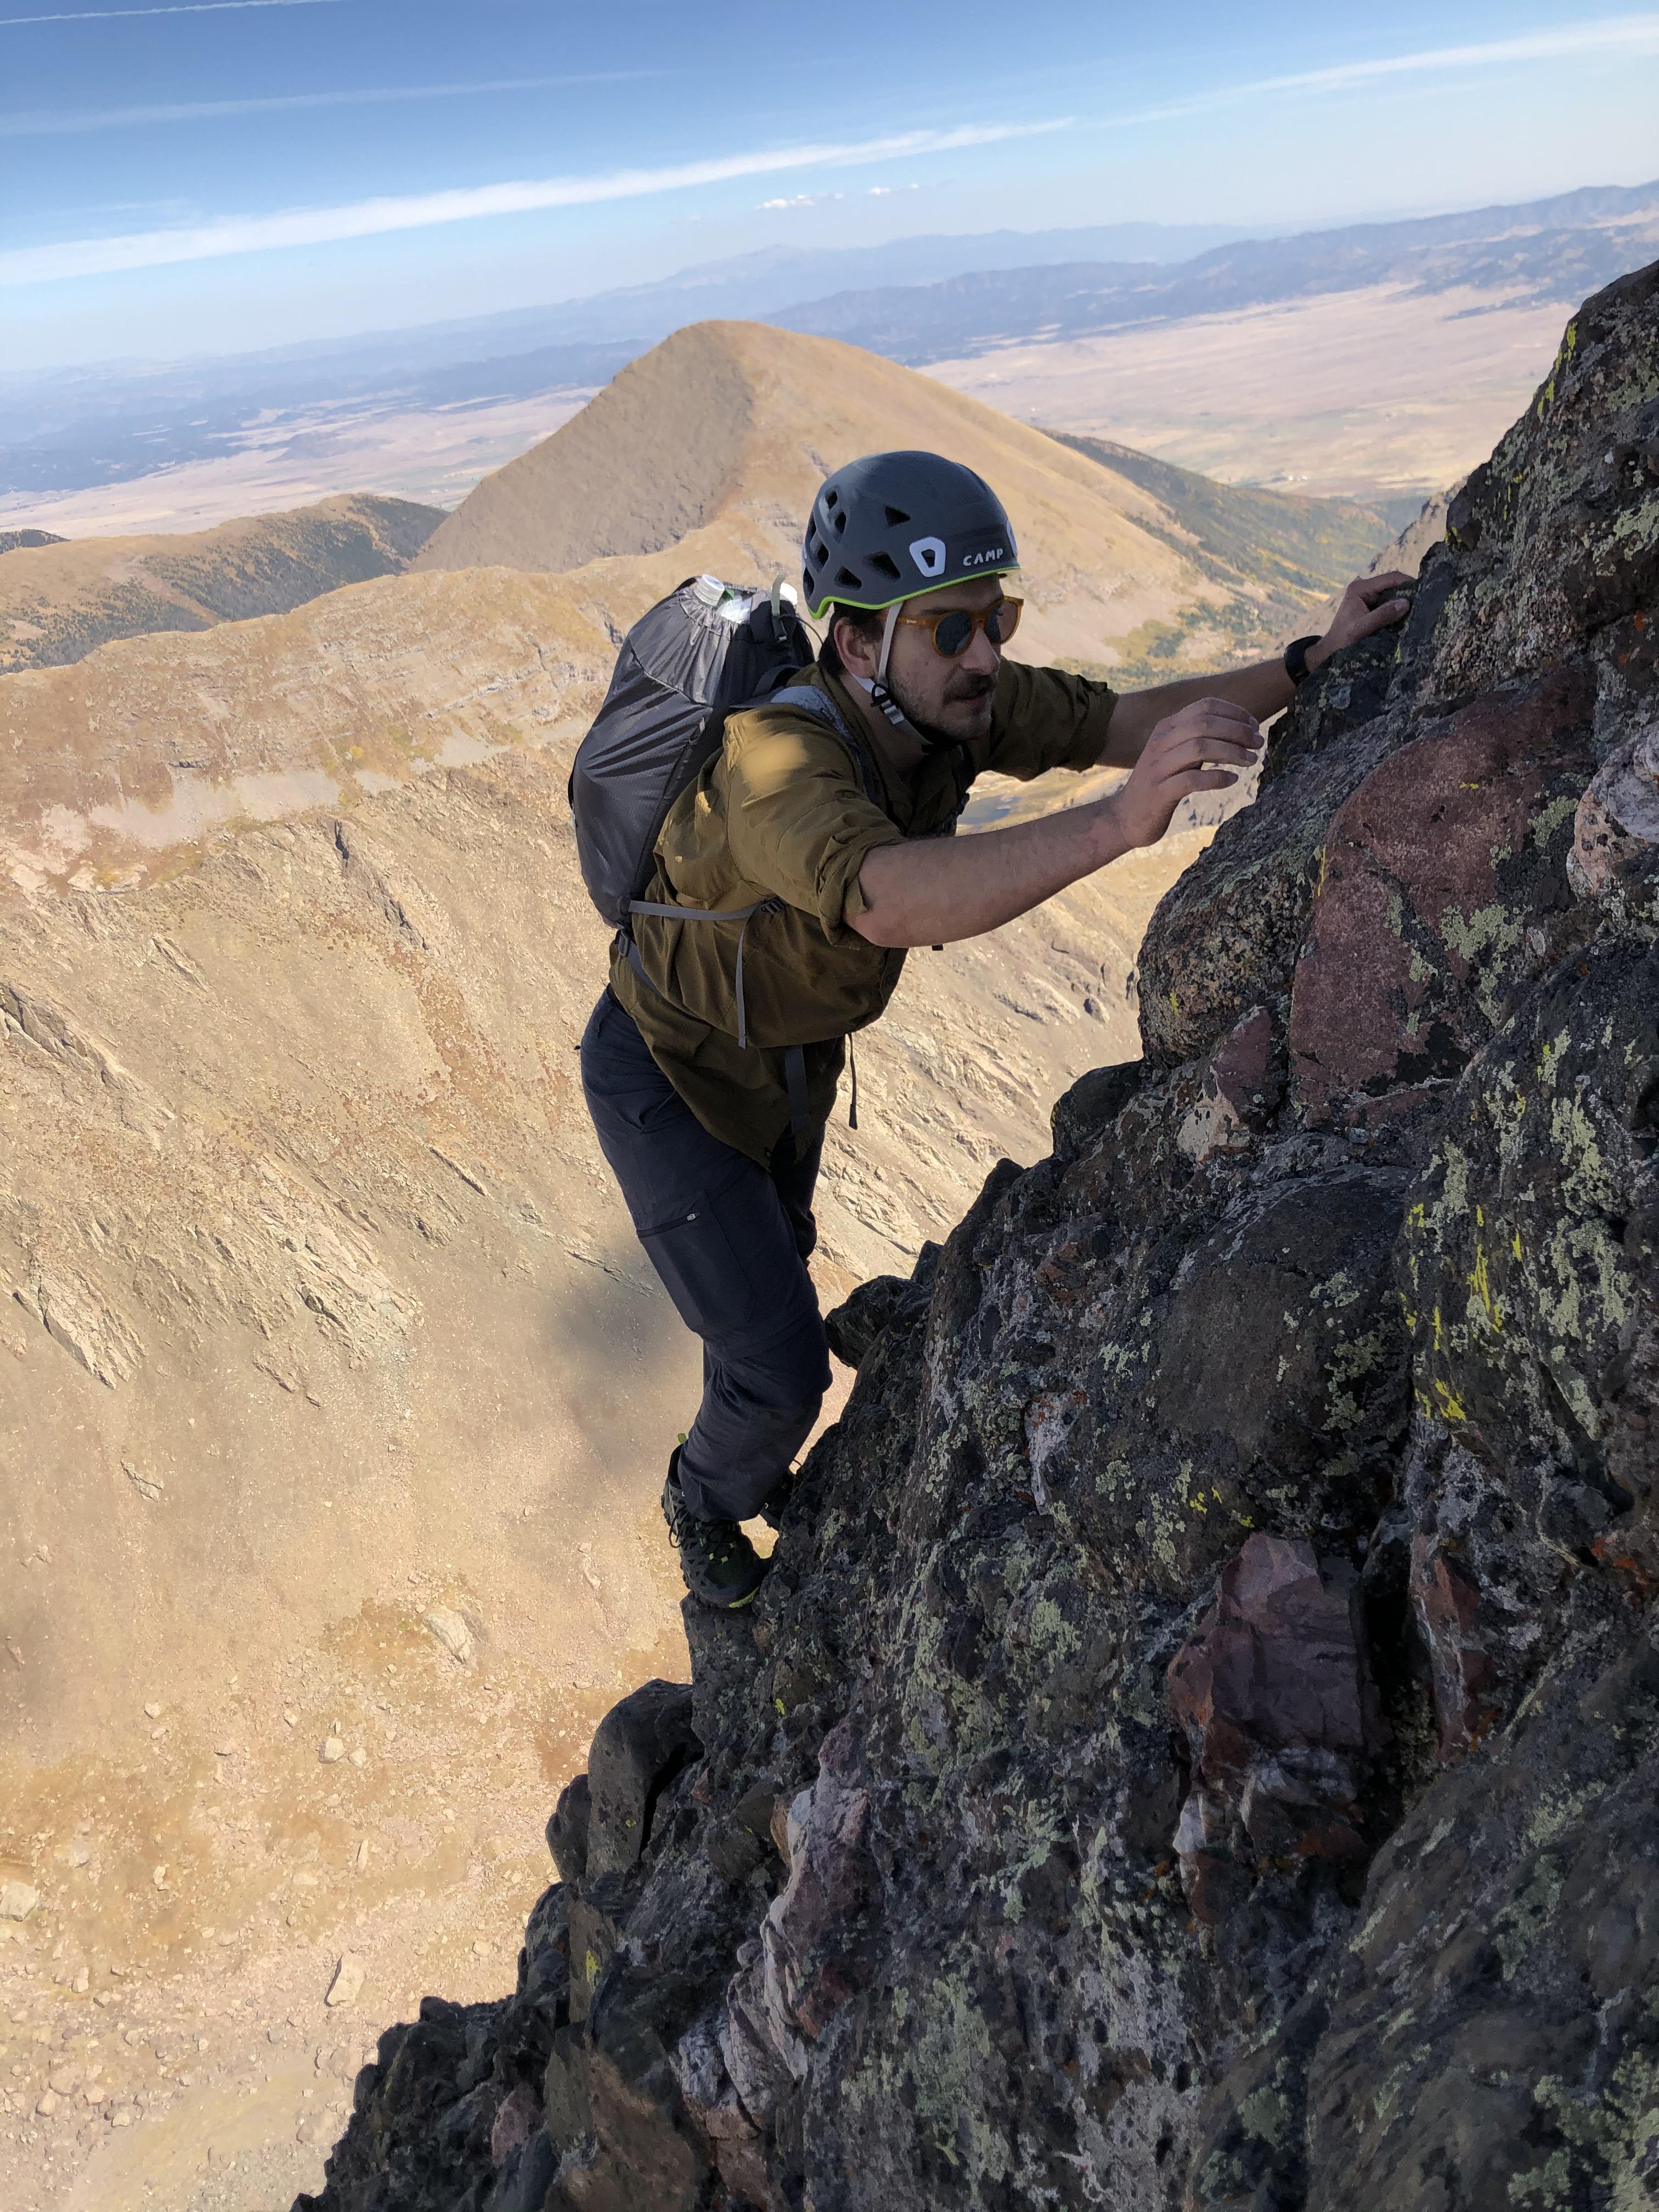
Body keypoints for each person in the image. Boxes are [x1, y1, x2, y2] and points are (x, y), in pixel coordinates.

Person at [580, 450, 1410, 1608]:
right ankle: (705, 1498)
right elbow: (885, 897)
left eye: (997, 620)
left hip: (780, 1060)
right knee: (778, 1366)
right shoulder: (772, 764)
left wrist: (1303, 664)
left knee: (766, 1277)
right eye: (953, 632)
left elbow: (1121, 719)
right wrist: (1121, 825)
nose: (987, 657)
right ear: (860, 641)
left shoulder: (950, 700)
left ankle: (751, 1437)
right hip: (668, 1080)